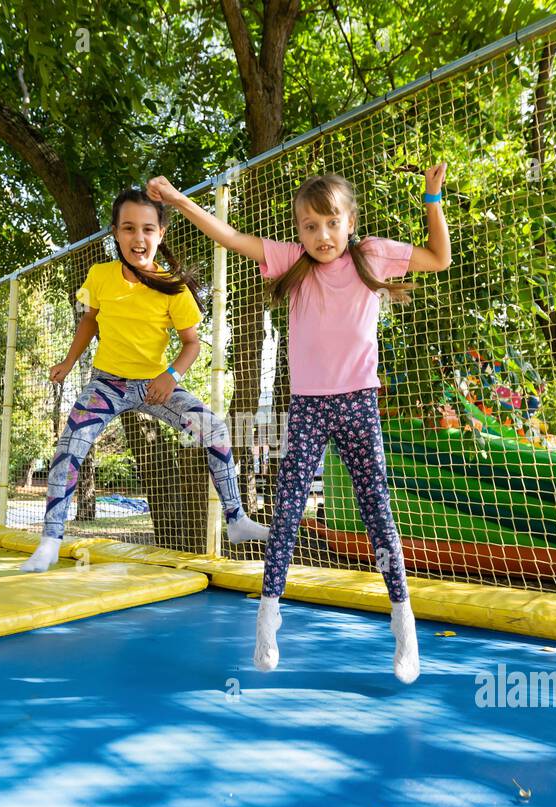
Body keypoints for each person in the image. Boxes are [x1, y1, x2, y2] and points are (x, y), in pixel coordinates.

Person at [148, 164, 451, 683]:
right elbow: (228, 236)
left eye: (331, 223)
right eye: (309, 226)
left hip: (358, 402)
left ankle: (404, 625)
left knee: (377, 510)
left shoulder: (372, 254)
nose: (322, 235)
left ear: (350, 222)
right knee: (286, 513)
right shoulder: (293, 263)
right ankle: (268, 616)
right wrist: (177, 201)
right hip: (308, 406)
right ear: (299, 232)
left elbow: (439, 258)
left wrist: (431, 196)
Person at [21, 188, 269, 573]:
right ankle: (51, 540)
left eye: (148, 229)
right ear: (116, 234)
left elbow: (191, 345)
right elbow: (89, 319)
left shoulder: (174, 287)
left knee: (216, 430)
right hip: (106, 384)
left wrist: (171, 376)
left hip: (155, 386)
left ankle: (236, 520)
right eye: (129, 228)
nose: (139, 238)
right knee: (69, 449)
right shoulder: (100, 275)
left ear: (161, 233)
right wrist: (69, 362)